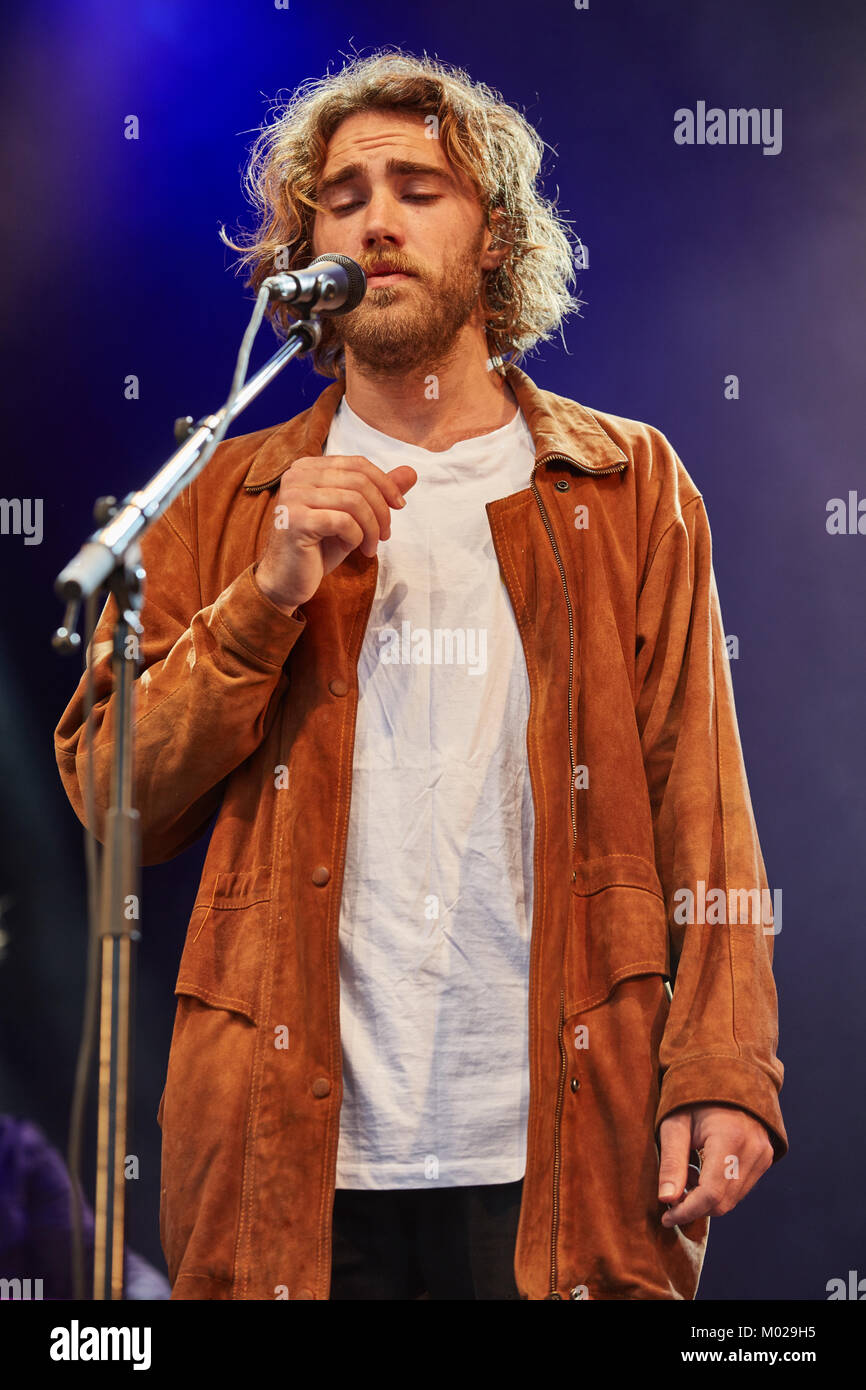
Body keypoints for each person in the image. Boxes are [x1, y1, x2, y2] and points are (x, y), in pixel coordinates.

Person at [54, 50, 787, 1301]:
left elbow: (703, 815)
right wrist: (262, 597)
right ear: (304, 242)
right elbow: (114, 805)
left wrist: (724, 1064)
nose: (375, 221)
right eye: (340, 197)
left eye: (417, 188)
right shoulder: (221, 496)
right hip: (286, 1162)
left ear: (493, 235)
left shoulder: (627, 486)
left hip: (564, 1149)